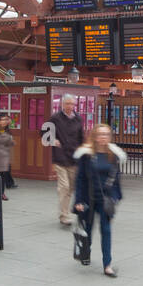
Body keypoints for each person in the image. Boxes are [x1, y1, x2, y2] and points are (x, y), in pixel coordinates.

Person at [72, 123, 126, 277]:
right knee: (87, 230)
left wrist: (115, 197)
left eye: (106, 134)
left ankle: (107, 265)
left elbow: (116, 179)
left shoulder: (113, 155)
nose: (103, 137)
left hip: (106, 200)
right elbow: (80, 179)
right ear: (95, 136)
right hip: (88, 198)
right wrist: (78, 201)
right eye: (100, 134)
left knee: (106, 230)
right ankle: (85, 251)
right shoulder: (86, 155)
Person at [47, 94, 85, 227]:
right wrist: (53, 140)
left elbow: (81, 138)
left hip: (74, 158)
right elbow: (44, 133)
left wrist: (83, 151)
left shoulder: (78, 118)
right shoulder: (55, 118)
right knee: (64, 186)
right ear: (62, 104)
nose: (70, 106)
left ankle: (66, 211)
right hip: (60, 157)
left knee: (71, 188)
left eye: (72, 104)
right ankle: (64, 215)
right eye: (67, 103)